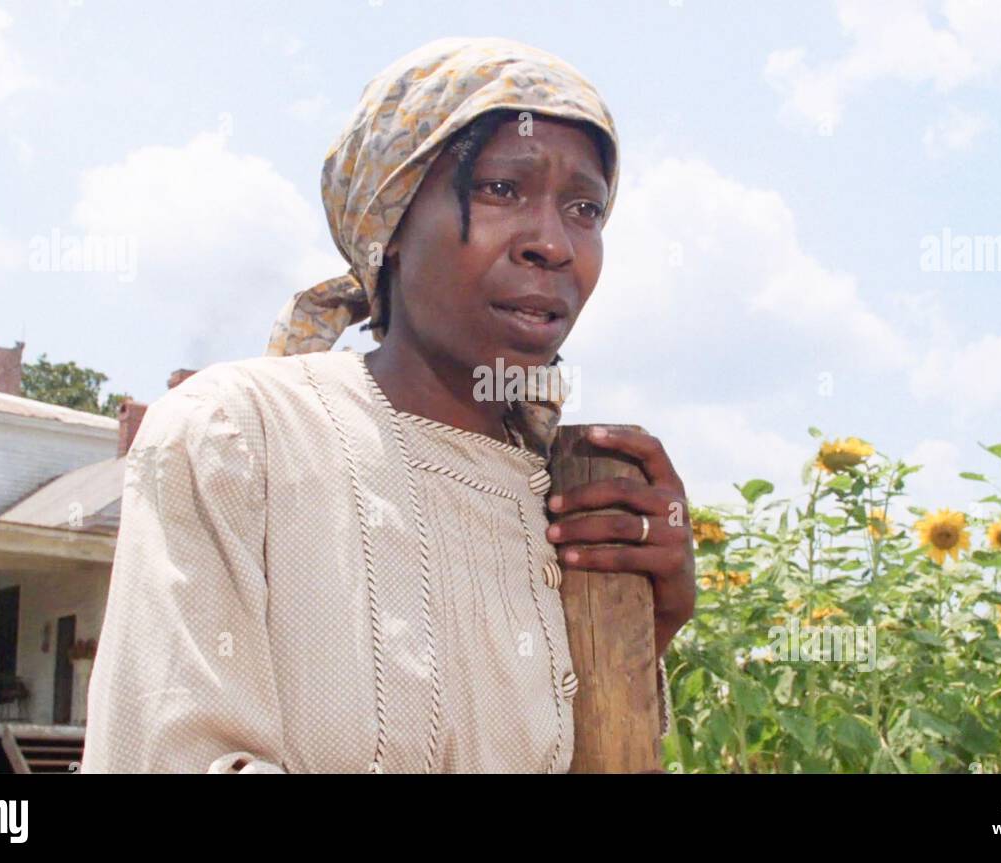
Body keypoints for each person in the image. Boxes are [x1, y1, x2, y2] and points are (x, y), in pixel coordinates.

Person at [81, 36, 696, 774]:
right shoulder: (240, 433)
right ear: (391, 225)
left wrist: (644, 624)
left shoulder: (574, 507)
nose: (553, 243)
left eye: (585, 207)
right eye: (503, 189)